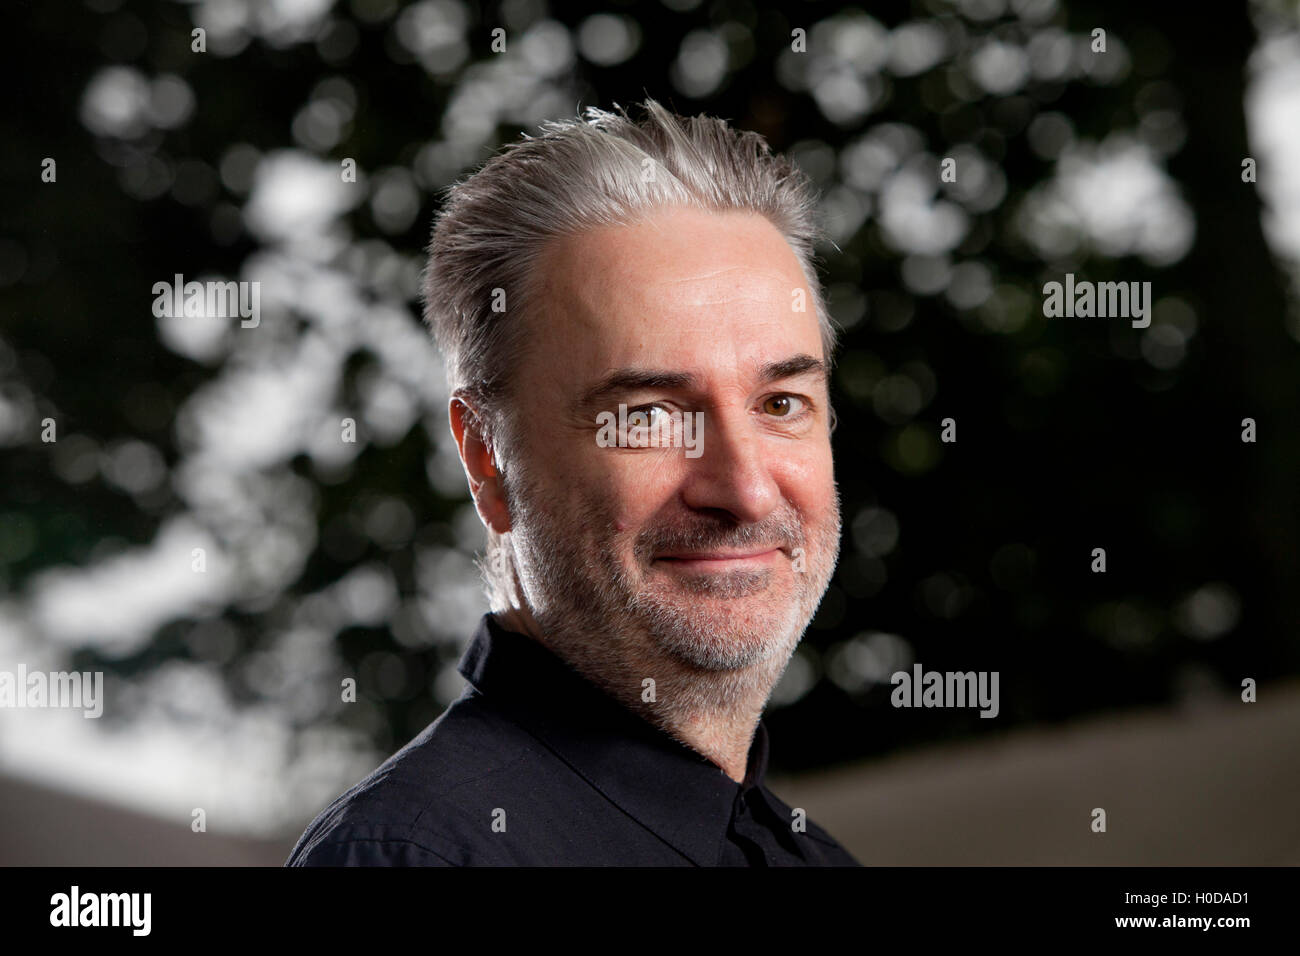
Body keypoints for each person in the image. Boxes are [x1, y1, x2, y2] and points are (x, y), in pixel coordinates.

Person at [288, 98, 858, 866]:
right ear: (487, 458)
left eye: (781, 403)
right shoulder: (419, 858)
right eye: (649, 415)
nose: (746, 490)